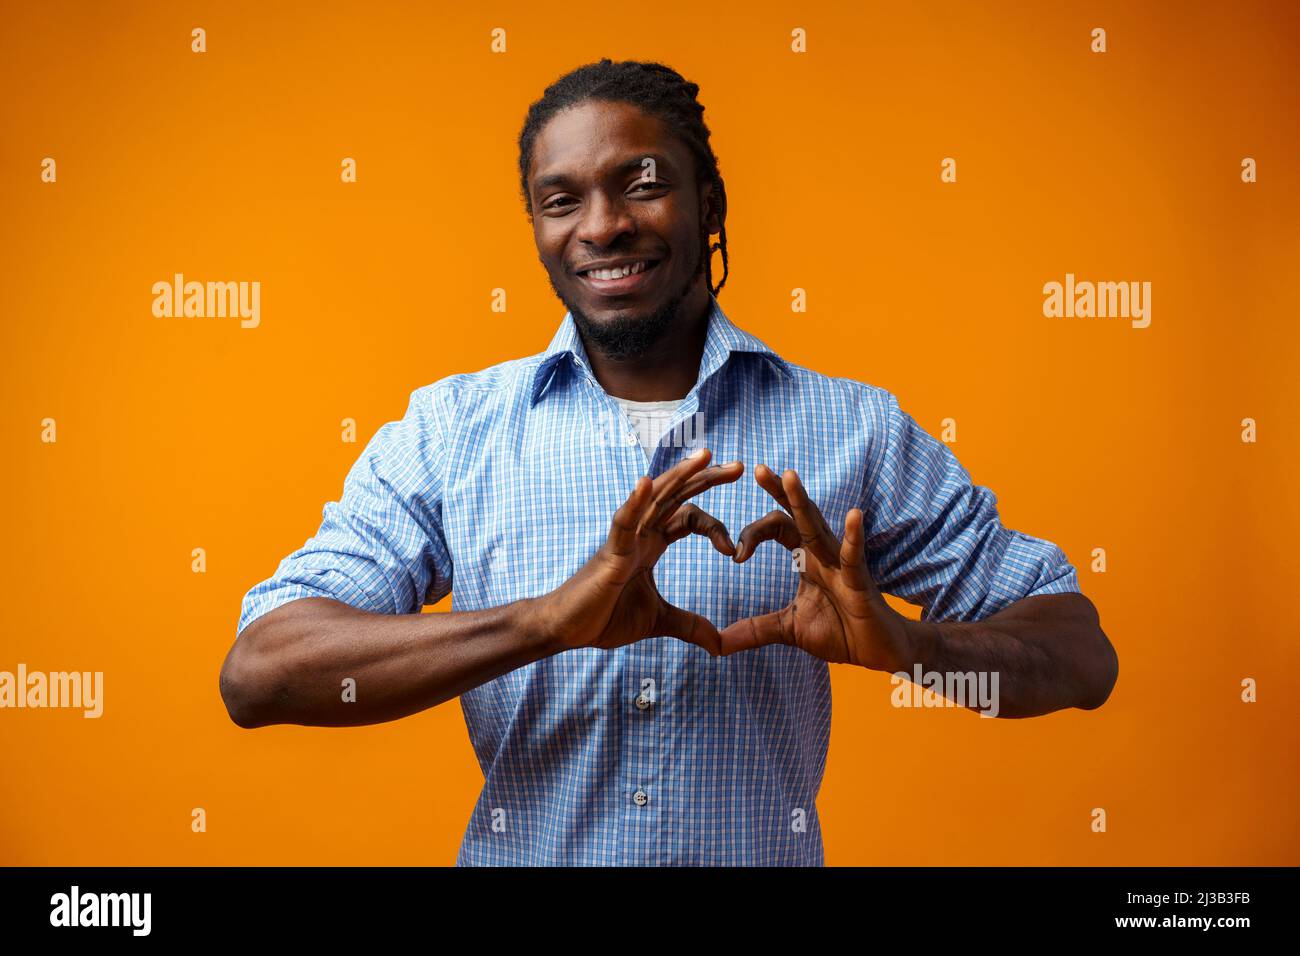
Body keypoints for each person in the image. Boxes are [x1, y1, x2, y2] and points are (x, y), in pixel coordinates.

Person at [220, 58, 1118, 866]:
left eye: (641, 185)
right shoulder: (452, 430)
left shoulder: (854, 429)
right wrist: (544, 623)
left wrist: (914, 647)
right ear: (535, 224)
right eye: (561, 199)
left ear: (710, 204)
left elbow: (1081, 656)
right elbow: (261, 673)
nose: (602, 227)